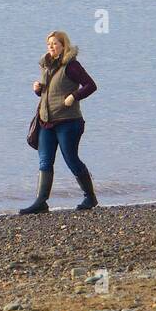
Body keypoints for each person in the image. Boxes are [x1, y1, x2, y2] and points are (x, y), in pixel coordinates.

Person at [19, 30, 99, 214]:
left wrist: (74, 96)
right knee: (45, 161)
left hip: (69, 122)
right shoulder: (47, 65)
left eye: (55, 44)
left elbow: (91, 85)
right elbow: (49, 92)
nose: (51, 47)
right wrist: (38, 89)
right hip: (46, 121)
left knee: (71, 159)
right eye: (49, 44)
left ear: (64, 45)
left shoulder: (72, 66)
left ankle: (90, 197)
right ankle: (41, 202)